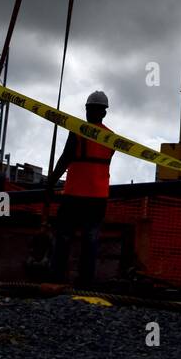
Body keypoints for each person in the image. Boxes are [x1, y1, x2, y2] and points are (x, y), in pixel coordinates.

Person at [46, 91, 114, 287]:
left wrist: (50, 183)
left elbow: (65, 159)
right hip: (97, 197)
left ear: (91, 110)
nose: (88, 112)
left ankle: (57, 279)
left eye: (89, 108)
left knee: (64, 236)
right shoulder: (110, 137)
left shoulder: (78, 131)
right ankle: (85, 283)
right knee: (90, 239)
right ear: (104, 113)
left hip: (74, 195)